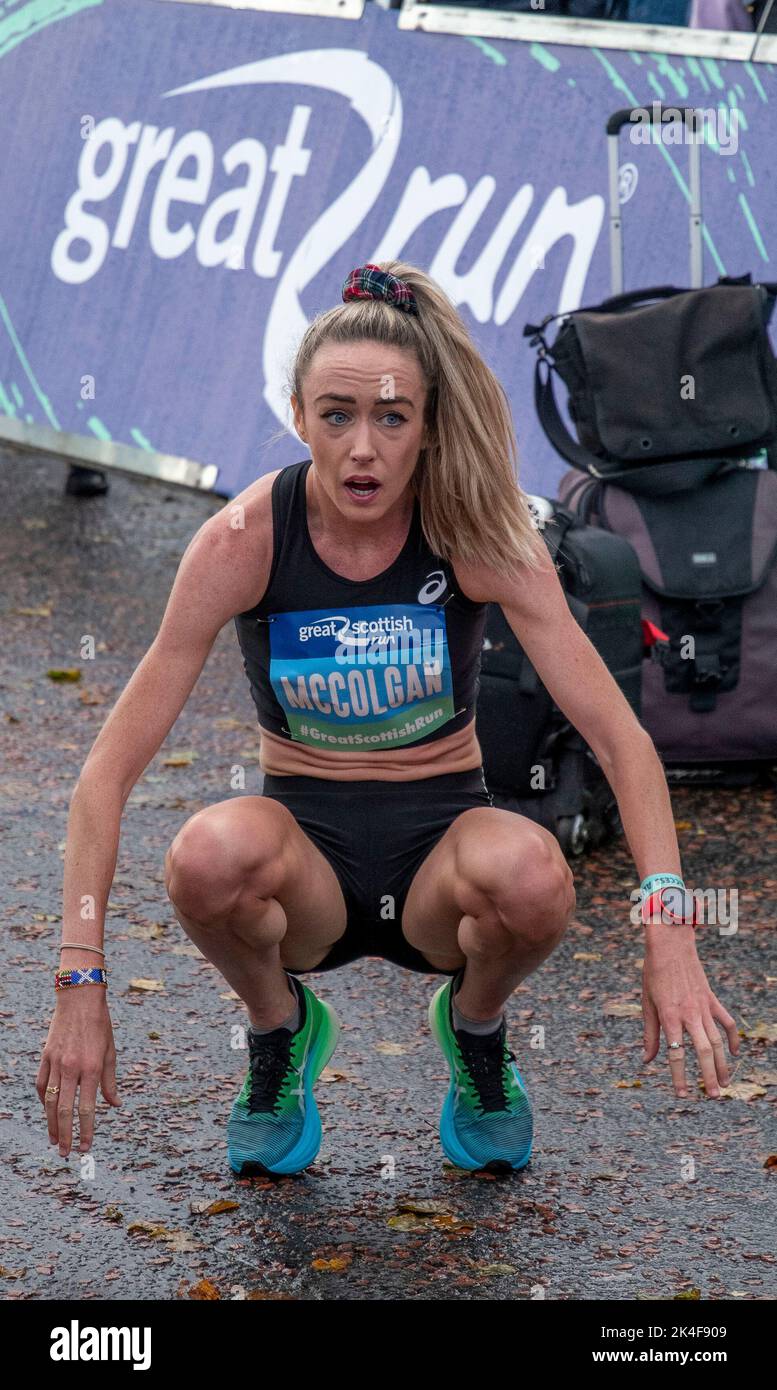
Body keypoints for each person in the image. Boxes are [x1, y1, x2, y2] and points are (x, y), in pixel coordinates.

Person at [37, 261, 738, 1178]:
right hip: (307, 870)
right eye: (337, 416)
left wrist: (670, 931)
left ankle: (476, 1034)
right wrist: (81, 978)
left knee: (532, 874)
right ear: (298, 417)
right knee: (205, 857)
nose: (362, 448)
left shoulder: (475, 535)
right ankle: (279, 1031)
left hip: (440, 868)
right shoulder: (243, 542)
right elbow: (104, 777)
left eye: (391, 417)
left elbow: (622, 743)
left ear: (427, 426)